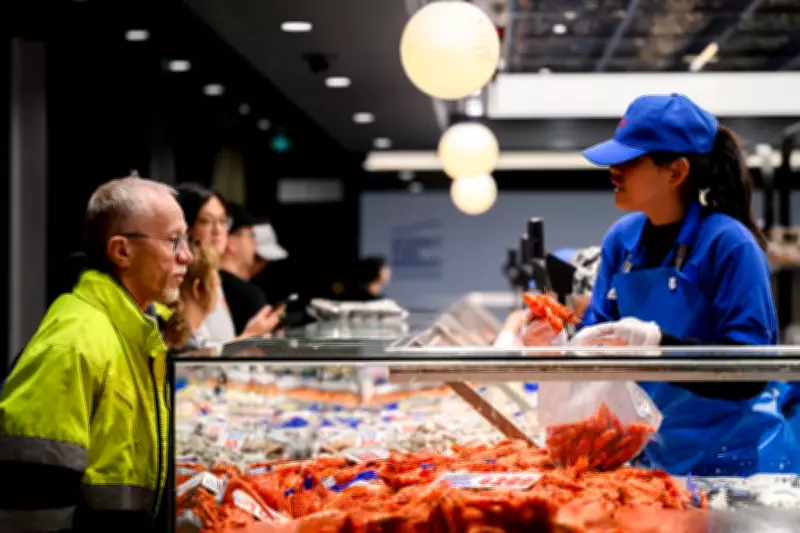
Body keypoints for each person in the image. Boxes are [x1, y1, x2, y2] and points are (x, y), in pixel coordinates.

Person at [523, 93, 800, 476]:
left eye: (629, 161)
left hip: (733, 460)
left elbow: (747, 373)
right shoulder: (622, 239)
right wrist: (558, 342)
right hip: (649, 457)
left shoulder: (729, 244)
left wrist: (660, 347)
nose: (613, 172)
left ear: (676, 172)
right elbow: (596, 342)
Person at [0, 176, 192, 532]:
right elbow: (30, 504)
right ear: (121, 251)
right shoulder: (73, 341)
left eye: (186, 239)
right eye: (173, 240)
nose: (187, 255)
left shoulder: (137, 330)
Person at [175, 183, 276, 343]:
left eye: (223, 221)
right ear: (185, 229)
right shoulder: (185, 277)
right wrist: (249, 337)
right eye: (206, 221)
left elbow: (217, 345)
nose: (218, 231)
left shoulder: (212, 275)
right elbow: (195, 354)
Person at [219, 203, 283, 335]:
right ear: (230, 241)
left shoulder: (205, 284)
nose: (254, 243)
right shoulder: (250, 295)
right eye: (251, 235)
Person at [164, 242, 223, 354]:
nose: (217, 294)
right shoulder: (187, 349)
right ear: (197, 289)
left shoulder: (169, 334)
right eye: (216, 285)